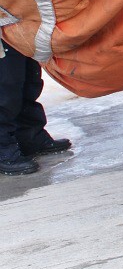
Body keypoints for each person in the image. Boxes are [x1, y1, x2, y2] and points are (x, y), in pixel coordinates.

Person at [0, 38, 72, 175]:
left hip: (14, 22)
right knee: (5, 87)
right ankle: (3, 148)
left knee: (27, 79)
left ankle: (29, 137)